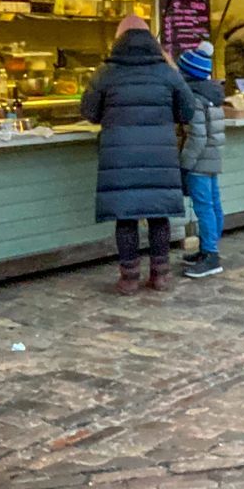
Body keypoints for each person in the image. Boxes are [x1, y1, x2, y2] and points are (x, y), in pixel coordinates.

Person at [81, 16, 196, 294]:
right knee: (159, 216)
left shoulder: (106, 73)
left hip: (120, 157)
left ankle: (129, 278)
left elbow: (89, 112)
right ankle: (161, 275)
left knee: (126, 217)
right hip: (160, 156)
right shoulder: (166, 72)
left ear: (118, 40)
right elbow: (188, 112)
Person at [176, 42, 227, 279]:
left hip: (198, 162)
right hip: (212, 158)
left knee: (203, 207)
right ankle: (209, 247)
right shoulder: (213, 95)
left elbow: (196, 137)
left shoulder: (194, 100)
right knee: (214, 204)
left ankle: (210, 254)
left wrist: (184, 163)